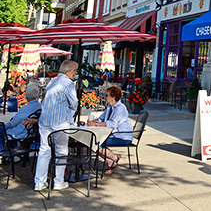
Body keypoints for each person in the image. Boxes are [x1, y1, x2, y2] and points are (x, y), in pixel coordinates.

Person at [34, 59, 79, 192]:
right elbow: (74, 102)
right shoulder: (68, 83)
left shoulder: (52, 81)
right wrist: (70, 113)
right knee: (61, 151)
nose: (75, 73)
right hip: (59, 121)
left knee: (44, 150)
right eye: (74, 70)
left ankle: (39, 182)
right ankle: (58, 181)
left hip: (45, 120)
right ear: (67, 71)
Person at [88, 85, 133, 174]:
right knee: (94, 141)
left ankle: (113, 159)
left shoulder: (120, 108)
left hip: (122, 136)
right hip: (112, 135)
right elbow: (102, 118)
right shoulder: (110, 107)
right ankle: (111, 162)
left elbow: (112, 124)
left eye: (107, 95)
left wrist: (96, 125)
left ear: (113, 97)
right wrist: (94, 121)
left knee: (96, 143)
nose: (105, 97)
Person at [0, 84, 42, 149]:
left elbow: (13, 123)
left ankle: (2, 150)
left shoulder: (26, 108)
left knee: (2, 129)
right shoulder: (40, 106)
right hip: (32, 132)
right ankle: (9, 149)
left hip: (22, 132)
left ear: (27, 96)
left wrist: (6, 125)